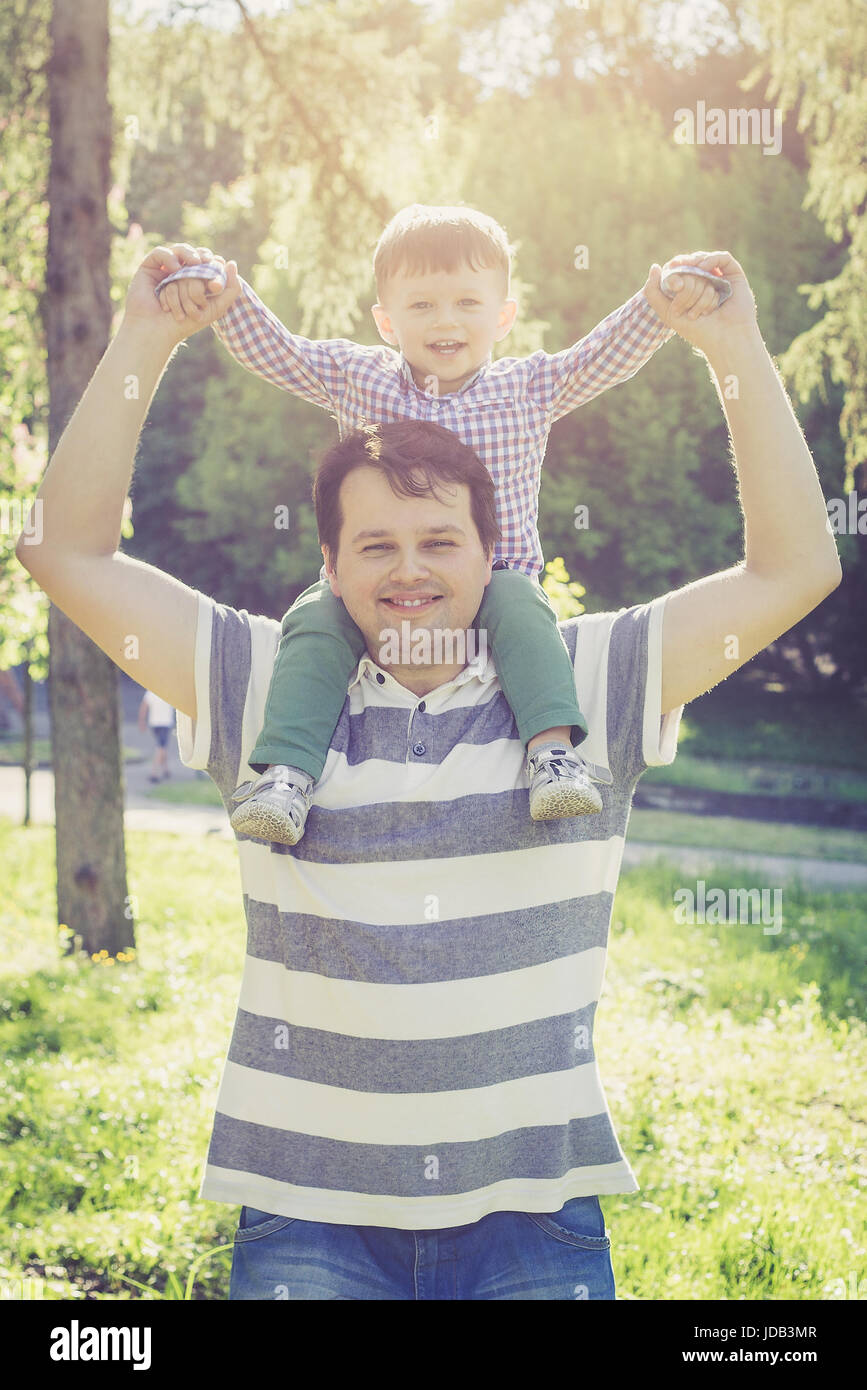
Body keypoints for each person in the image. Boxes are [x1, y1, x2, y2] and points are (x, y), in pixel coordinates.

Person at [16, 242, 840, 1300]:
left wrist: (731, 343)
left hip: (533, 1220)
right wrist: (144, 339)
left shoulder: (590, 683)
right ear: (328, 565)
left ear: (492, 554)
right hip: (309, 1212)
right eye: (376, 544)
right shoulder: (264, 688)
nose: (409, 568)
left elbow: (796, 567)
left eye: (439, 540)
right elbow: (65, 553)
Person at [154, 205, 727, 847]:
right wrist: (223, 297)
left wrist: (660, 304)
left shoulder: (528, 388)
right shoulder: (358, 376)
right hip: (369, 584)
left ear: (502, 315)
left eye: (466, 302)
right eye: (421, 305)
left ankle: (552, 754)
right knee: (313, 621)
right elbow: (280, 354)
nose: (446, 321)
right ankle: (287, 775)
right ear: (387, 320)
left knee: (523, 610)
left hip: (495, 579)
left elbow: (601, 358)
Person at [137, 688, 175, 782]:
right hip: (165, 723)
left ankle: (166, 769)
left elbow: (143, 707)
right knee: (161, 747)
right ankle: (154, 773)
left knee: (162, 746)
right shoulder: (169, 692)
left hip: (154, 724)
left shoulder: (151, 692)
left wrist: (142, 721)